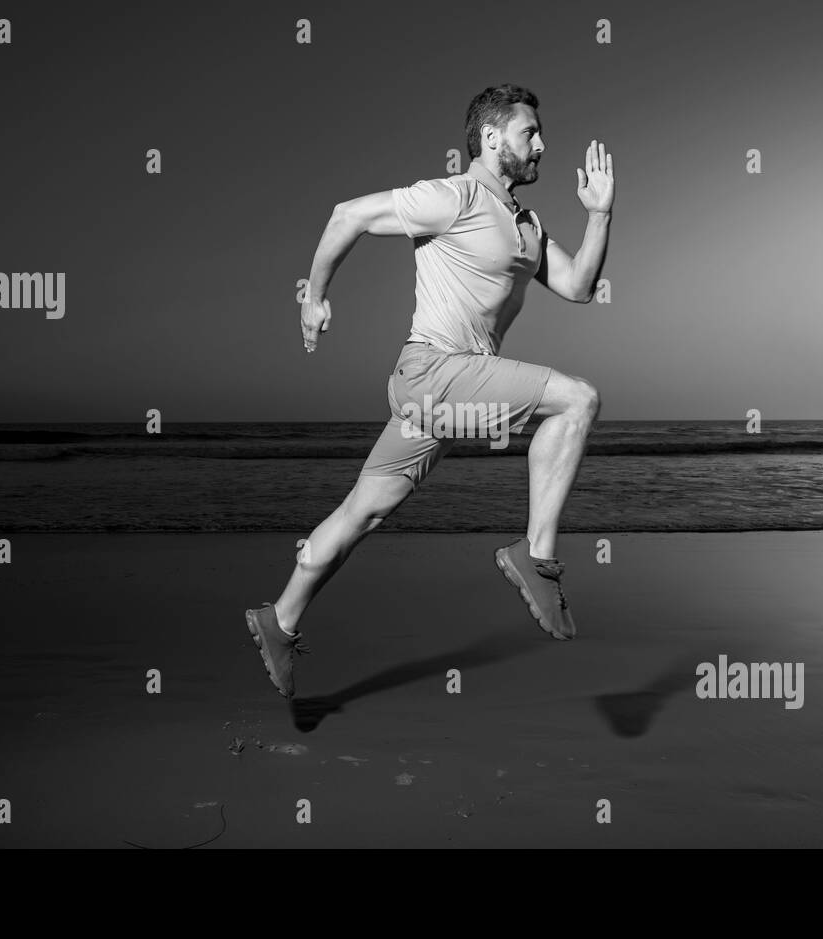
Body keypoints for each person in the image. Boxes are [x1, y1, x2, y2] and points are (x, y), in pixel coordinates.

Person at [246, 84, 614, 697]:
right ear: (493, 139)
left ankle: (278, 619)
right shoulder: (454, 196)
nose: (543, 145)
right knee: (579, 400)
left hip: (448, 396)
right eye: (531, 133)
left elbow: (578, 285)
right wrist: (313, 297)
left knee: (363, 513)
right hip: (435, 374)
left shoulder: (527, 225)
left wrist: (600, 214)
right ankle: (536, 556)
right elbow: (348, 215)